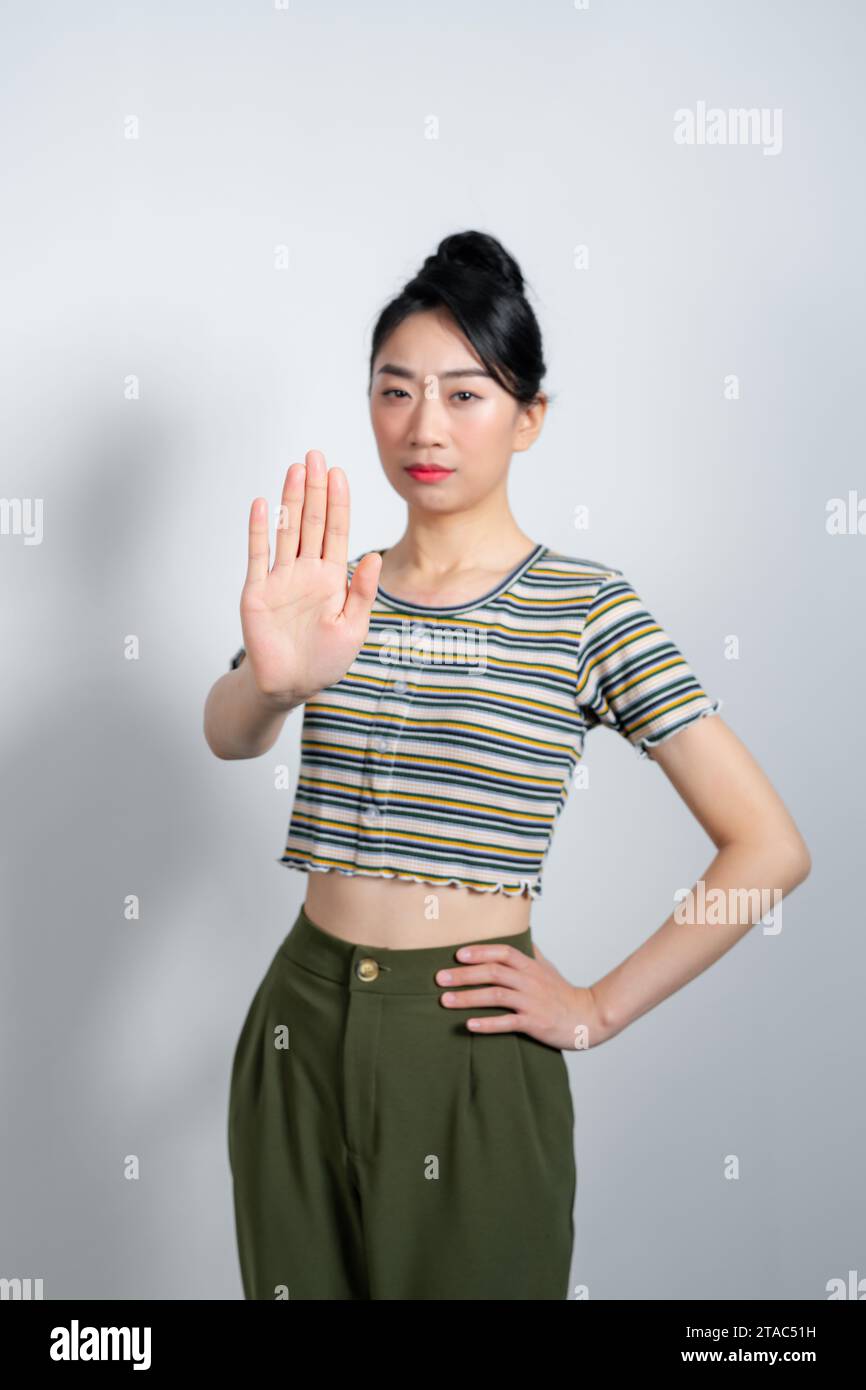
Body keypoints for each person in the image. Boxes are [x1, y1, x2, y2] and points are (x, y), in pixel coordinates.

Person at [203, 231, 812, 1301]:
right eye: (394, 391)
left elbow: (766, 847)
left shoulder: (584, 608)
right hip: (298, 1022)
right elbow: (227, 730)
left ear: (529, 417)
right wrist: (277, 679)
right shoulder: (329, 591)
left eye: (464, 393)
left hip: (470, 1043)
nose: (423, 426)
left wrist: (595, 1008)